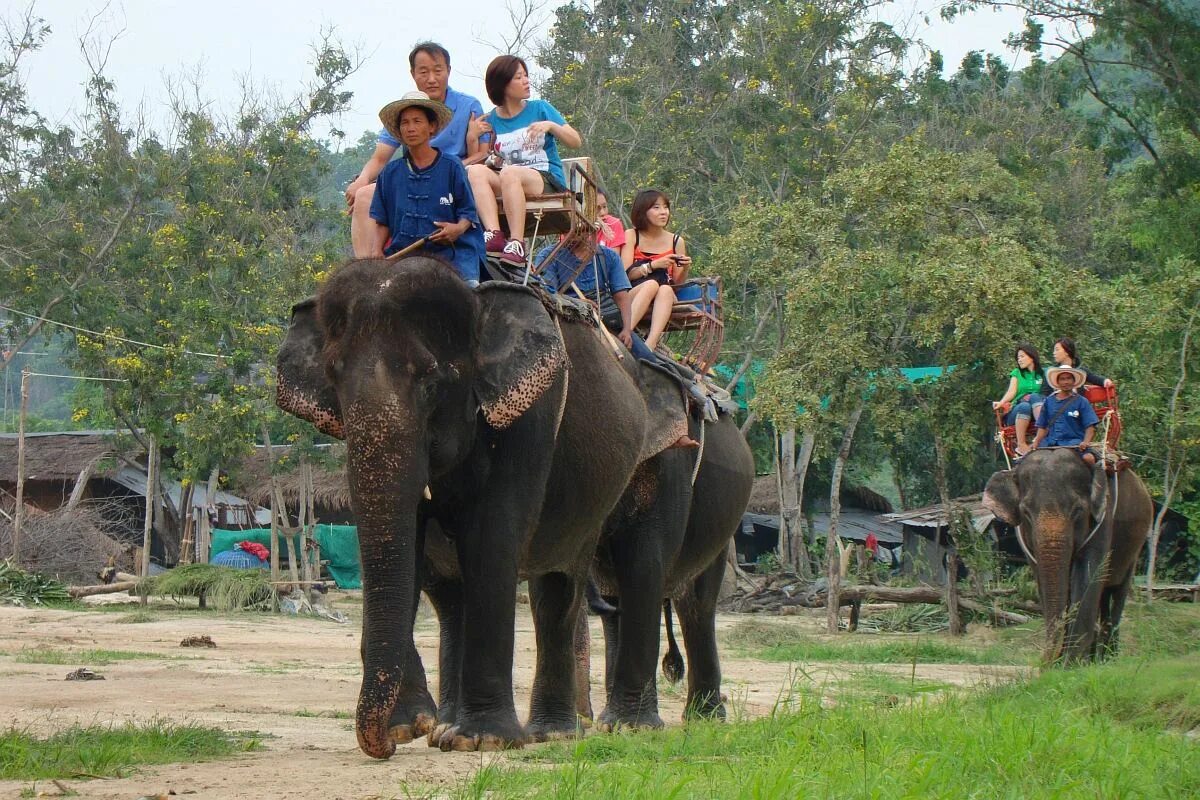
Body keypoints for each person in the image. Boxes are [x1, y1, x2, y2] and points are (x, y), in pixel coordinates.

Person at [534, 237, 702, 446]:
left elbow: (621, 294)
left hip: (606, 316)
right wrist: (575, 302)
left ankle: (673, 429)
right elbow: (547, 293)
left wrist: (626, 328)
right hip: (568, 316)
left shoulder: (607, 256)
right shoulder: (549, 255)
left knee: (650, 361)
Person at [345, 43, 486, 257]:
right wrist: (361, 181)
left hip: (452, 180)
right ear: (413, 74)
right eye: (423, 71)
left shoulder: (468, 105)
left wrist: (454, 166)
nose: (431, 78)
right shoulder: (405, 110)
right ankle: (368, 270)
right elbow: (380, 158)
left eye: (437, 71)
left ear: (448, 70)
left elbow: (483, 154)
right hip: (412, 177)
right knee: (364, 195)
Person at [467, 55, 583, 266]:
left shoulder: (540, 108)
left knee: (510, 173)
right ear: (502, 84)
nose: (526, 81)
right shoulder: (491, 119)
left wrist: (551, 126)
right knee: (475, 172)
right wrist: (472, 136)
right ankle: (494, 234)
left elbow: (575, 141)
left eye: (526, 76)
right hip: (510, 181)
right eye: (519, 77)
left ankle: (517, 242)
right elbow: (479, 157)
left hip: (544, 179)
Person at [368, 92, 485, 283]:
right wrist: (376, 252)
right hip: (402, 257)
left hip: (451, 256)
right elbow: (382, 221)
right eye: (405, 123)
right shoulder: (390, 173)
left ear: (431, 127)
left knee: (468, 294)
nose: (410, 128)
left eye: (417, 121)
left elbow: (468, 213)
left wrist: (456, 229)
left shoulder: (452, 166)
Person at [621, 189, 691, 351]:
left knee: (665, 289)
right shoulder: (632, 235)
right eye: (656, 208)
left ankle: (649, 346)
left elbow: (677, 285)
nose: (663, 212)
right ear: (643, 211)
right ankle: (626, 332)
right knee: (651, 285)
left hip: (664, 297)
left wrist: (685, 267)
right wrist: (652, 266)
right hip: (636, 292)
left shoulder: (676, 241)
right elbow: (625, 276)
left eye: (665, 207)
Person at [1029, 365, 1099, 465]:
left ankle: (1094, 480)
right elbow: (1042, 426)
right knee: (1027, 463)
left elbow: (1090, 426)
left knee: (1089, 459)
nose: (1066, 382)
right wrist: (1036, 443)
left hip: (1073, 444)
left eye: (1069, 378)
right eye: (1062, 379)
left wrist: (1086, 442)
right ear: (1057, 382)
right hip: (1050, 444)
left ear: (1074, 381)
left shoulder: (1082, 401)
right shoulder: (1048, 401)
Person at [992, 343, 1046, 456]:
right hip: (1017, 411)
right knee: (1025, 405)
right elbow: (1012, 392)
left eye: (1022, 356)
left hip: (1037, 410)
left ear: (1031, 356)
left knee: (1036, 397)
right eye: (1018, 358)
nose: (1019, 360)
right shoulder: (1017, 373)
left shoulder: (1043, 373)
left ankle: (1041, 432)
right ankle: (1021, 445)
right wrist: (1001, 403)